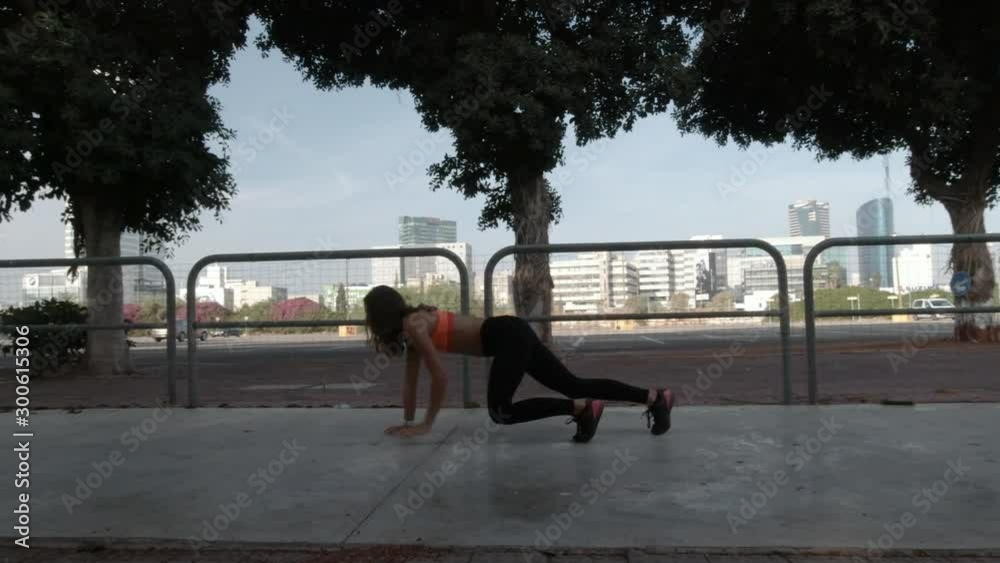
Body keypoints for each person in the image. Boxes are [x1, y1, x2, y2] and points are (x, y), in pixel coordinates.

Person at [363, 285, 674, 443]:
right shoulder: (413, 329)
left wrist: (426, 424)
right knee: (571, 384)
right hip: (510, 333)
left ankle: (582, 409)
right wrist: (407, 424)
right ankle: (655, 398)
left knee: (501, 411)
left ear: (379, 316)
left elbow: (440, 378)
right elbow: (411, 381)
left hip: (506, 336)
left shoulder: (414, 325)